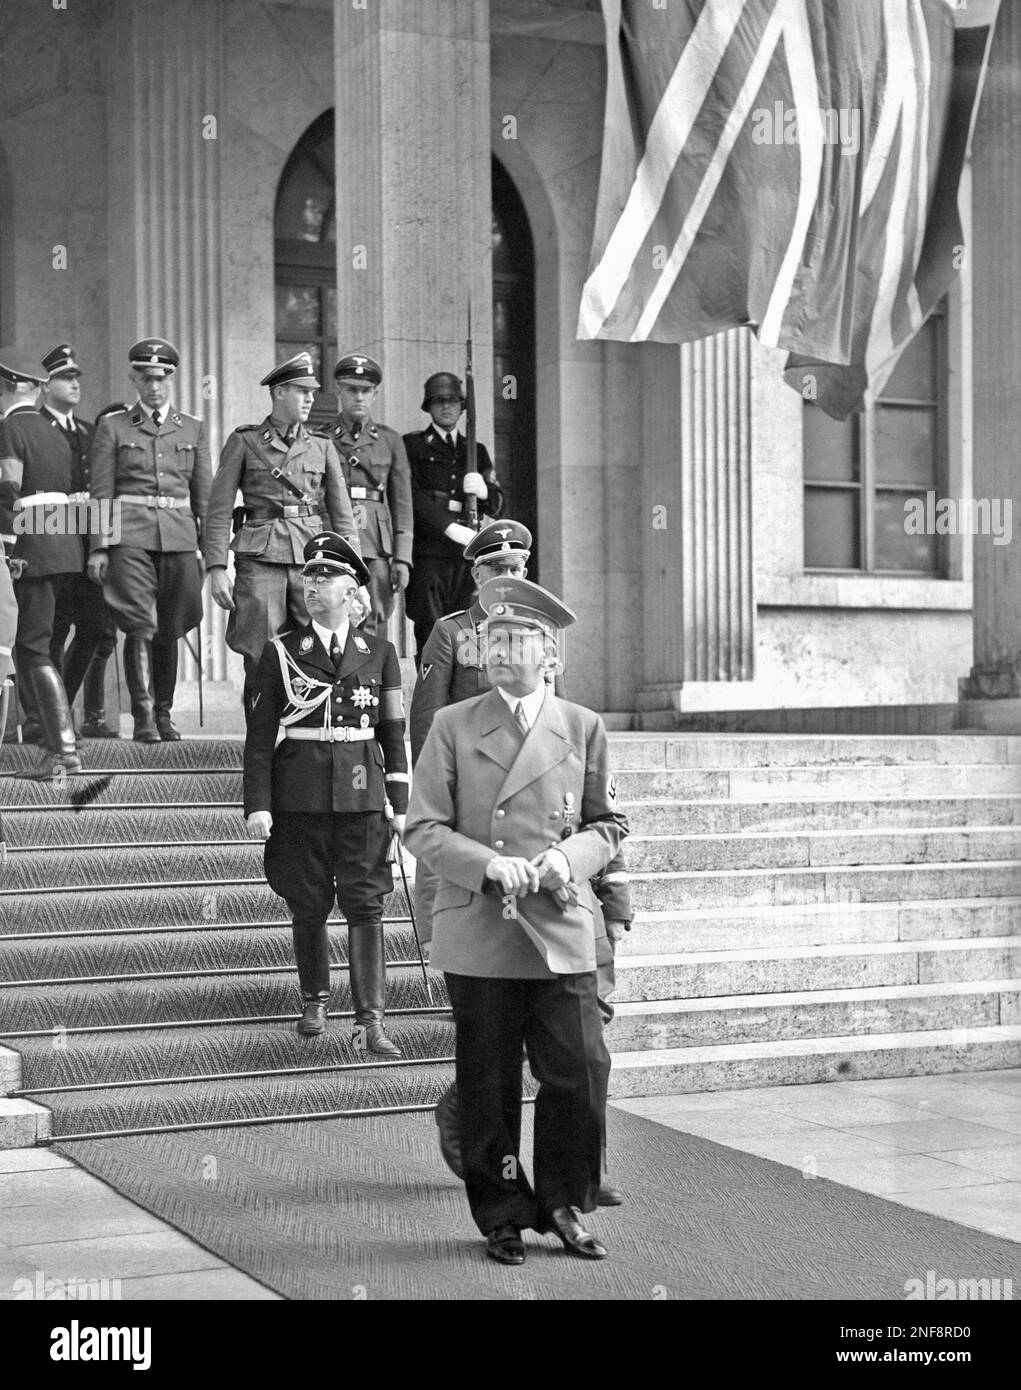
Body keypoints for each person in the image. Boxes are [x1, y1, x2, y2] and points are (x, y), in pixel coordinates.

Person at [405, 576, 628, 1266]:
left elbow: (608, 823)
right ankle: (501, 1211)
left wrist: (569, 857)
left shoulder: (582, 725)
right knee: (488, 1081)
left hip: (558, 920)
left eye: (516, 640)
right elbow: (421, 828)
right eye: (491, 639)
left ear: (549, 655)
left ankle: (562, 1200)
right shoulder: (453, 724)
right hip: (484, 923)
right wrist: (486, 864)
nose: (498, 651)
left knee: (581, 1069)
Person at [243, 531, 410, 1056]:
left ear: (352, 588)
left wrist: (401, 804)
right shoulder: (282, 652)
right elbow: (259, 738)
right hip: (299, 794)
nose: (313, 587)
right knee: (308, 903)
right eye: (309, 577)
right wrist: (259, 804)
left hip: (363, 795)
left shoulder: (379, 653)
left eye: (326, 578)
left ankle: (371, 1020)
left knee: (367, 907)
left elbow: (393, 732)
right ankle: (314, 999)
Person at [204, 352, 360, 715]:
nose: (310, 399)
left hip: (312, 559)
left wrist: (355, 574)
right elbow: (218, 509)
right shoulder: (245, 442)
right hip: (261, 560)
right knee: (260, 654)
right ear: (278, 393)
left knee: (317, 649)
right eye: (301, 391)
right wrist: (215, 568)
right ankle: (261, 746)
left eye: (312, 392)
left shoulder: (322, 446)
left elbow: (342, 514)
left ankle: (306, 742)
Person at [87, 339, 211, 742]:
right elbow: (101, 492)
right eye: (145, 378)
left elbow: (204, 498)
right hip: (131, 537)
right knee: (140, 624)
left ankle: (164, 713)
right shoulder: (114, 426)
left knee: (171, 627)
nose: (153, 386)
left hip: (178, 538)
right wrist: (99, 547)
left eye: (160, 378)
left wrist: (212, 556)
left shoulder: (193, 427)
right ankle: (141, 716)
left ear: (171, 379)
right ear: (134, 379)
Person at [0, 347, 84, 778]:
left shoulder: (10, 429)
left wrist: (8, 546)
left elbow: (7, 489)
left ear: (11, 385)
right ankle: (60, 747)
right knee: (37, 644)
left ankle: (62, 748)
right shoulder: (53, 432)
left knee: (31, 647)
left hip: (29, 546)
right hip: (61, 546)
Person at [36, 344, 119, 739]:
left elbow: (103, 492)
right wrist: (65, 504)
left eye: (76, 378)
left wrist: (107, 544)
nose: (74, 384)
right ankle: (46, 718)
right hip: (49, 548)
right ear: (45, 384)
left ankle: (61, 708)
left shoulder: (89, 432)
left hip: (87, 548)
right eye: (65, 378)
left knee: (95, 628)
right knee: (52, 630)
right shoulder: (31, 428)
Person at [403, 371, 503, 660]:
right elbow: (412, 496)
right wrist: (447, 526)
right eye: (439, 401)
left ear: (462, 407)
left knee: (467, 632)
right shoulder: (414, 445)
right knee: (431, 632)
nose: (446, 407)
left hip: (466, 555)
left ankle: (461, 700)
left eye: (453, 401)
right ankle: (429, 701)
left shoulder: (476, 451)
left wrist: (484, 492)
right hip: (429, 554)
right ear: (429, 407)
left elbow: (497, 507)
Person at [320, 354, 412, 634]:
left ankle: (370, 677)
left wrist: (402, 558)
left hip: (376, 543)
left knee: (375, 617)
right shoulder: (322, 438)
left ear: (375, 394)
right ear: (338, 390)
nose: (359, 397)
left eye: (365, 390)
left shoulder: (390, 440)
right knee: (331, 615)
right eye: (352, 389)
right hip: (335, 537)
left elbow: (402, 503)